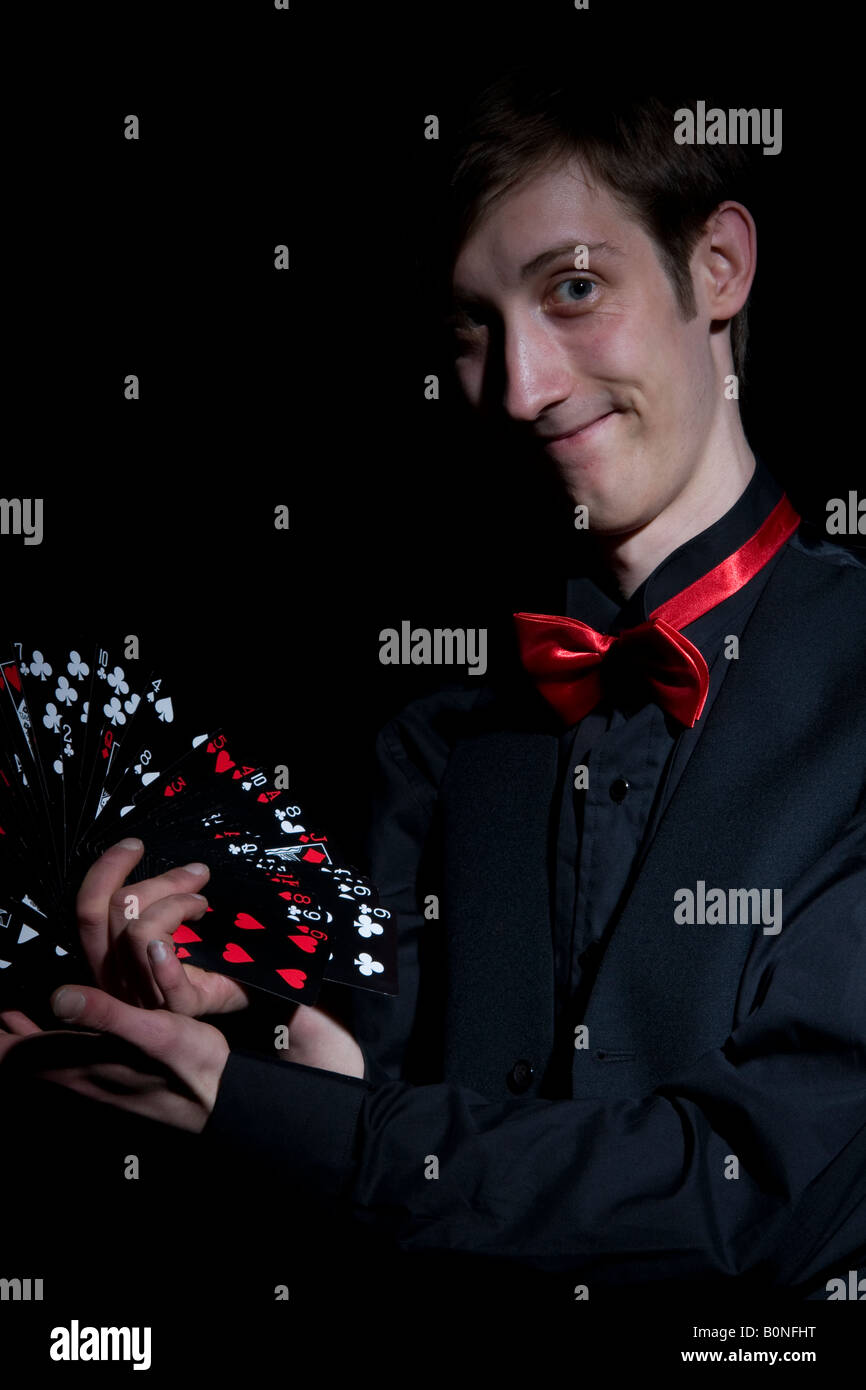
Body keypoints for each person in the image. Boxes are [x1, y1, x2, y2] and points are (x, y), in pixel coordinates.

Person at [2, 75, 864, 1309]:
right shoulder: (439, 740)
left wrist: (256, 1107)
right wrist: (217, 1026)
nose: (517, 389)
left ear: (716, 266)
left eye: (573, 288)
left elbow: (758, 1196)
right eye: (471, 327)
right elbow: (354, 1086)